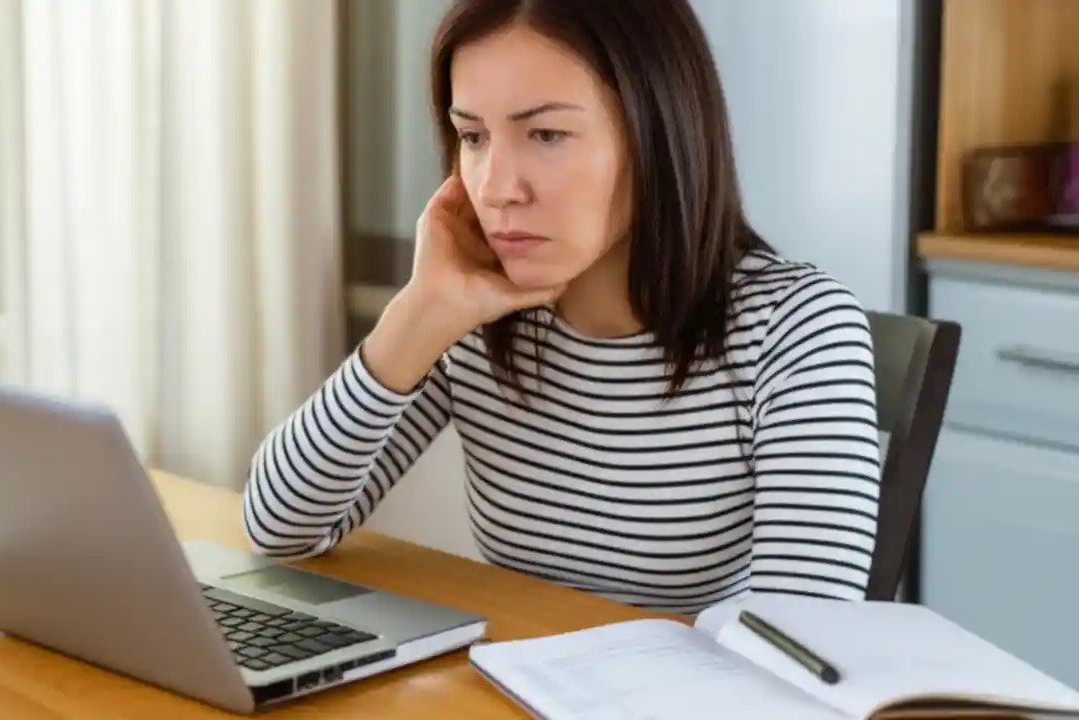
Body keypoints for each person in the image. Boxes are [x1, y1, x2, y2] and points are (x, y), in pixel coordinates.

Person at [242, 0, 880, 614]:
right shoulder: (470, 318)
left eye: (547, 133)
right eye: (473, 136)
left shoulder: (796, 327)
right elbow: (280, 527)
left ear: (657, 136)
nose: (496, 189)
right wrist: (415, 318)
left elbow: (802, 641)